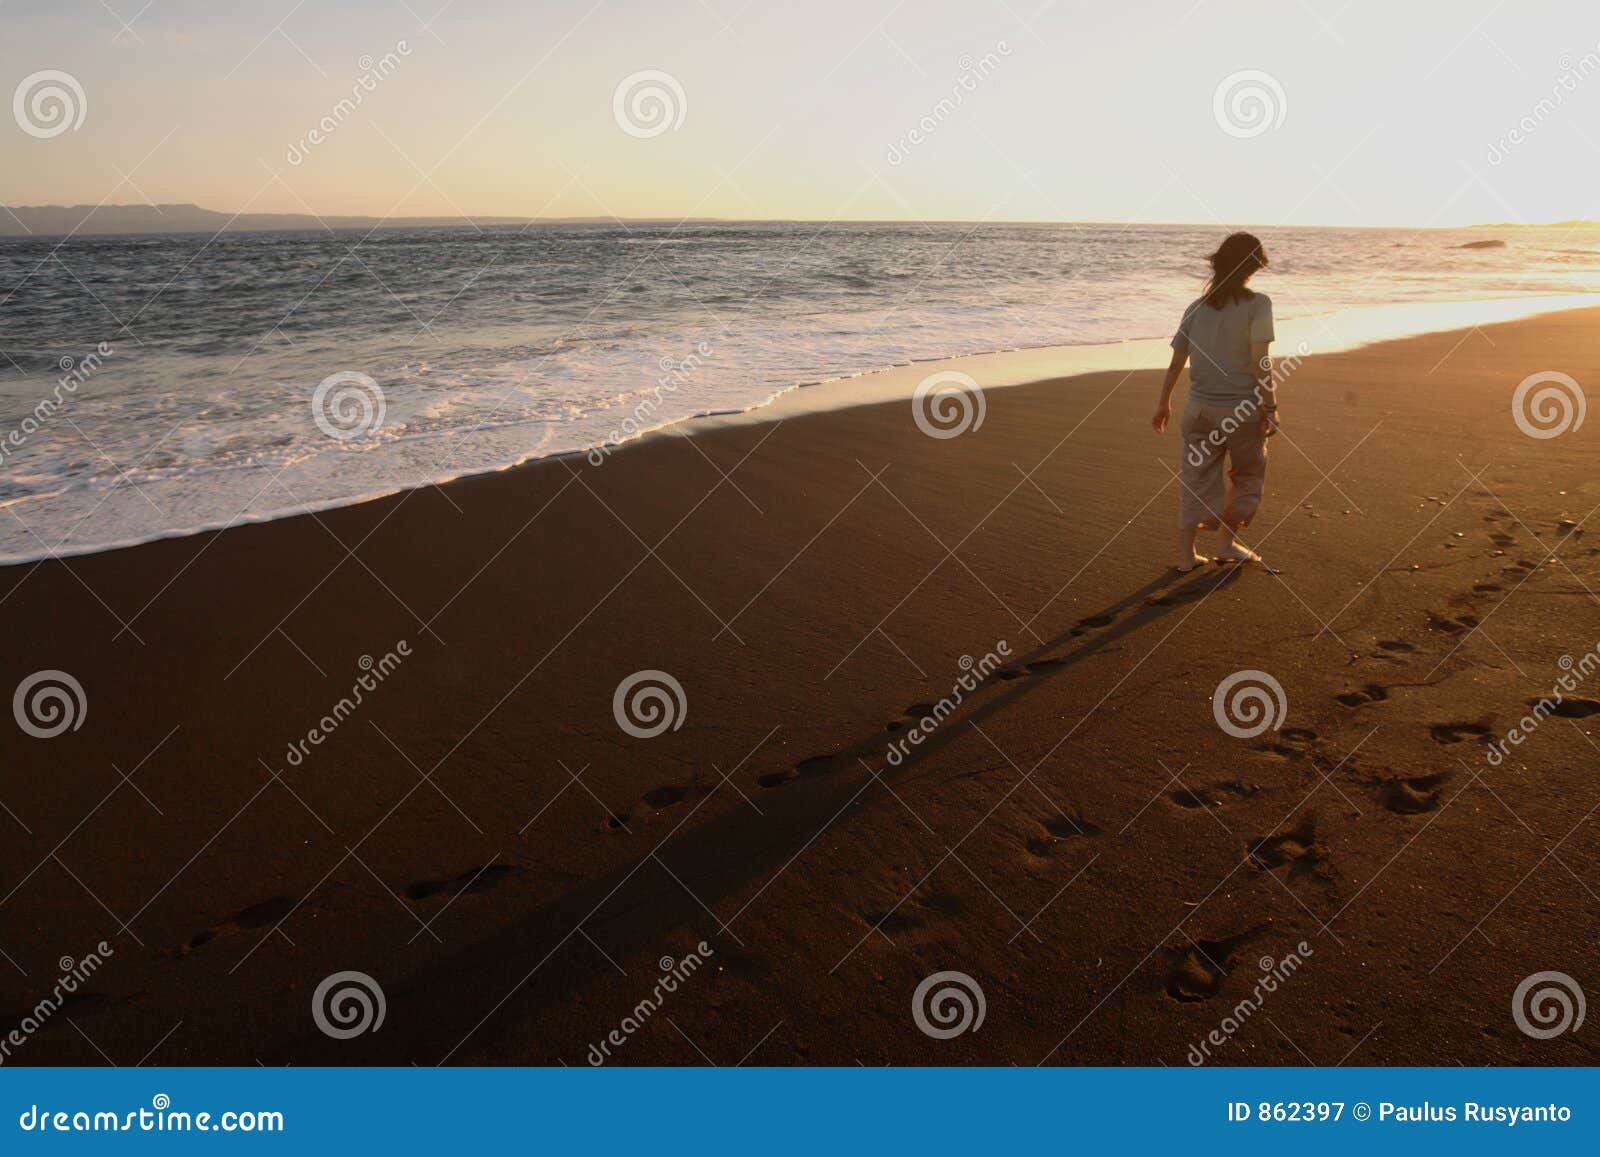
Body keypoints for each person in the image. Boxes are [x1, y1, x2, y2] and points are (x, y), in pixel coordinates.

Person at [1151, 232, 1277, 571]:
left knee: (1195, 478)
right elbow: (1259, 361)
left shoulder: (1195, 308)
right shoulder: (1258, 304)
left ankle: (1185, 557)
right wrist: (1270, 407)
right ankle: (1224, 545)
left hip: (1198, 410)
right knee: (1247, 476)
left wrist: (1163, 402)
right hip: (1241, 411)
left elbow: (1177, 361)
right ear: (1254, 267)